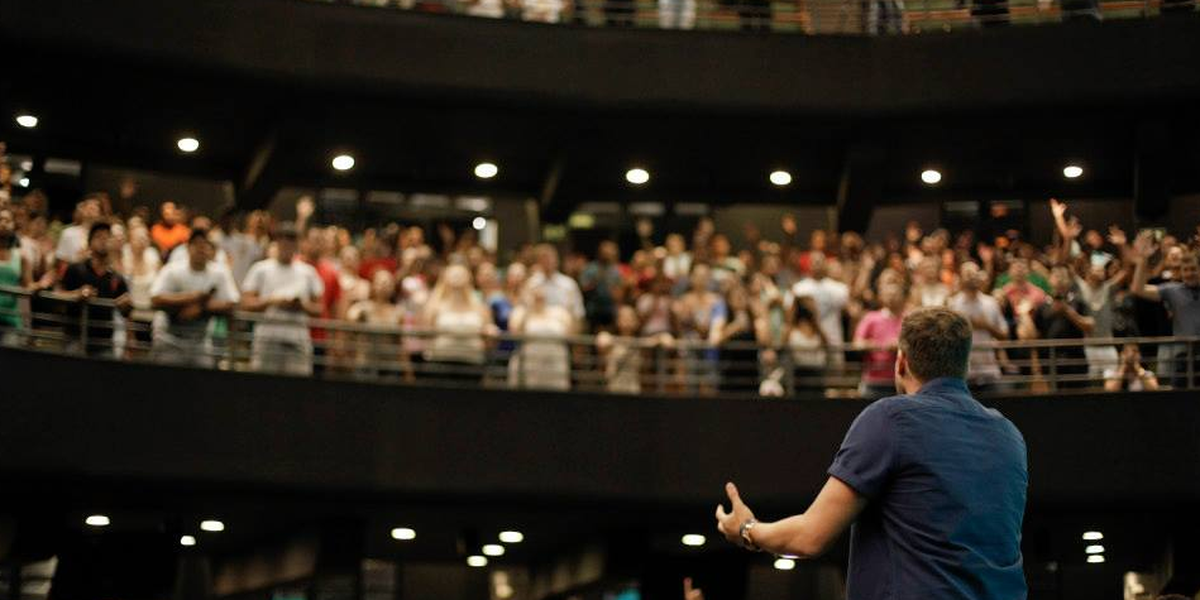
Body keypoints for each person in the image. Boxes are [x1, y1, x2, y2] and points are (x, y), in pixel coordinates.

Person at [714, 307, 1027, 600]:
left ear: (901, 361)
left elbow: (809, 537)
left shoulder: (890, 419)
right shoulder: (1010, 435)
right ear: (965, 365)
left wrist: (747, 530)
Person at [240, 224, 324, 376]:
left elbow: (319, 308)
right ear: (277, 242)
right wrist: (272, 301)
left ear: (297, 244)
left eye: (292, 240)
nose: (287, 244)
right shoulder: (261, 269)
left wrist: (302, 305)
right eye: (284, 239)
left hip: (297, 340)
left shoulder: (308, 272)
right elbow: (245, 302)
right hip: (267, 339)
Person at [149, 229, 240, 368]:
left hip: (200, 342)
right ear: (188, 247)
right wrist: (191, 297)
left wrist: (201, 307)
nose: (201, 248)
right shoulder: (172, 270)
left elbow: (232, 303)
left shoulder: (219, 272)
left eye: (205, 244)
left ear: (210, 249)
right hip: (169, 339)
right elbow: (156, 298)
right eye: (196, 244)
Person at [1130, 232, 1200, 388]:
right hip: (1183, 356)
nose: (1189, 274)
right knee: (1177, 397)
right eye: (1186, 270)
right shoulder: (1173, 290)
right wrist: (1143, 259)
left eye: (1194, 269)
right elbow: (1137, 289)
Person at [57, 222, 133, 357]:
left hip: (104, 342)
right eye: (98, 237)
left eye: (107, 237)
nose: (103, 241)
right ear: (89, 243)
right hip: (75, 338)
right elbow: (57, 296)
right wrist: (77, 294)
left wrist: (125, 305)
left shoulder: (117, 277)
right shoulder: (75, 269)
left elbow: (127, 313)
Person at [948, 262, 1010, 392]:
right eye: (968, 274)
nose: (972, 277)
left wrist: (986, 326)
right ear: (960, 278)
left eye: (975, 273)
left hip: (989, 371)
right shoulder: (952, 305)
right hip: (962, 374)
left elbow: (1005, 335)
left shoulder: (991, 303)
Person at [852, 283, 905, 399]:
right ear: (881, 297)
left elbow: (915, 345)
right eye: (888, 294)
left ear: (902, 296)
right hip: (873, 380)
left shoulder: (908, 319)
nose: (892, 297)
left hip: (899, 381)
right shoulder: (870, 318)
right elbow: (857, 344)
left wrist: (899, 345)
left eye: (895, 294)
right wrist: (872, 345)